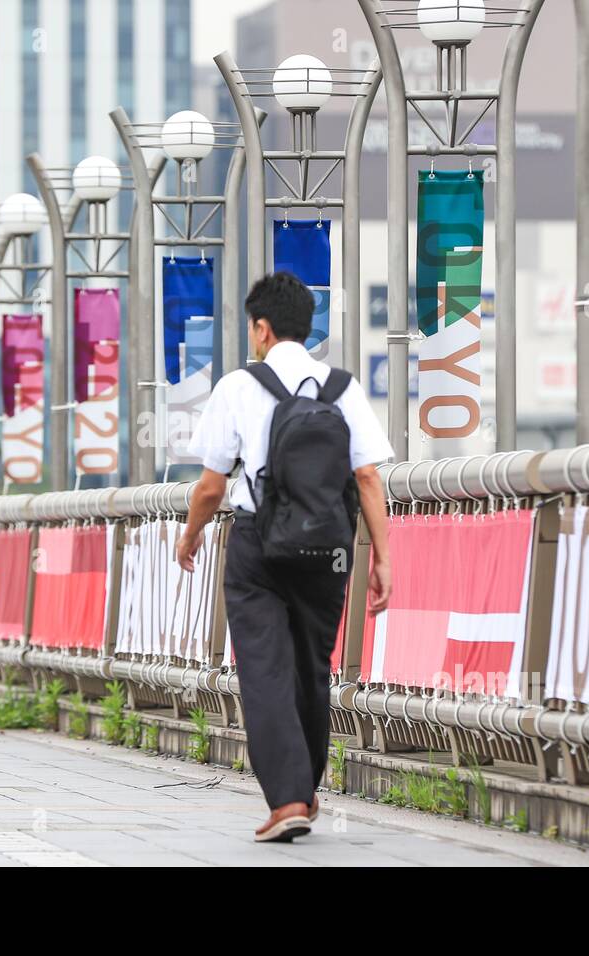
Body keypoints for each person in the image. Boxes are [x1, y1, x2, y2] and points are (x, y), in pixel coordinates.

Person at [176, 271, 393, 844]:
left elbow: (210, 487)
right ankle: (305, 785)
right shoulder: (342, 387)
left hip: (258, 546)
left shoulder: (238, 386)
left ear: (263, 328)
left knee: (265, 668)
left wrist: (191, 535)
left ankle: (290, 797)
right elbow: (368, 476)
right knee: (311, 667)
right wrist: (382, 559)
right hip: (329, 550)